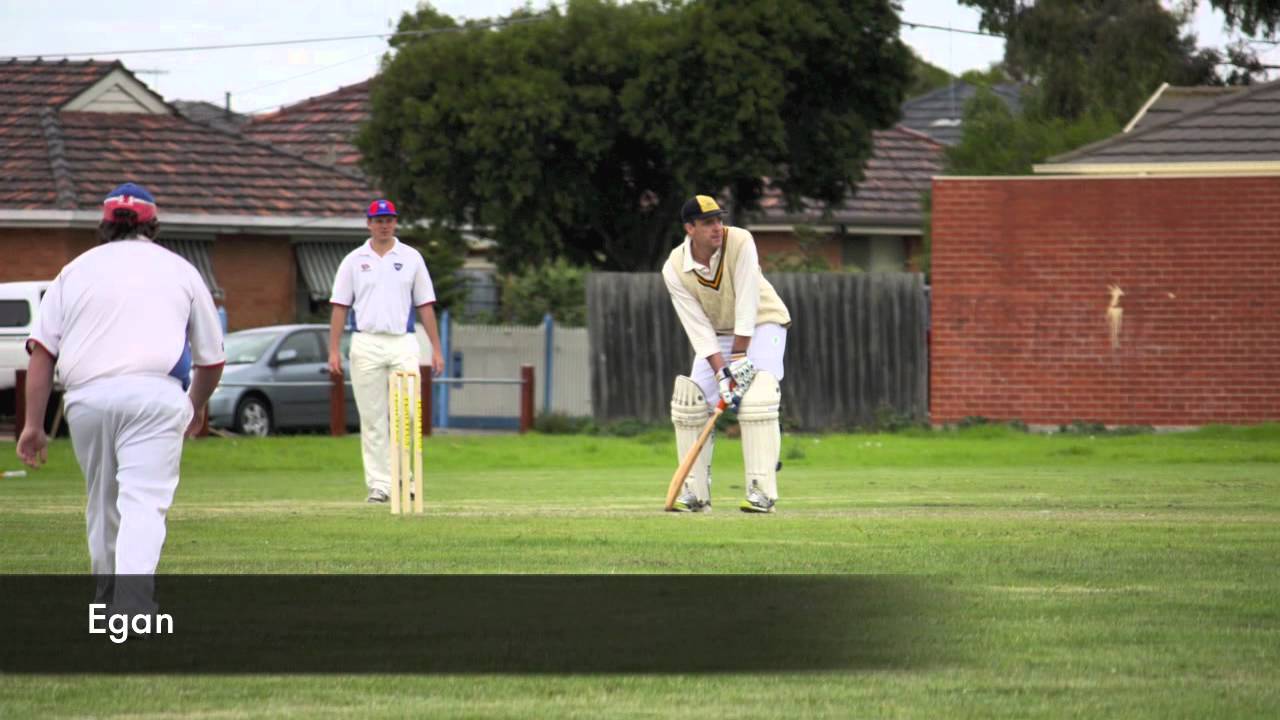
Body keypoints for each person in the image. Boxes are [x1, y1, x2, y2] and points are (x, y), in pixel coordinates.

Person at [15, 182, 225, 608]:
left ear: (104, 225)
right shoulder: (180, 269)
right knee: (143, 501)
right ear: (154, 226)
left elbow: (42, 355)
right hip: (154, 395)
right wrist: (193, 407)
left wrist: (33, 426)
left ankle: (107, 599)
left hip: (87, 398)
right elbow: (212, 360)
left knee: (103, 503)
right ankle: (131, 607)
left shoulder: (73, 271)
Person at [662, 194, 791, 513]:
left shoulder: (741, 241)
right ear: (690, 228)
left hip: (763, 323)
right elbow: (697, 327)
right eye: (708, 223)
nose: (717, 227)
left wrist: (739, 360)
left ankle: (762, 492)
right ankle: (694, 493)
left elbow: (748, 302)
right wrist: (722, 372)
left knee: (758, 396)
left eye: (719, 219)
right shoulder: (674, 268)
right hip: (718, 335)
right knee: (689, 402)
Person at [327, 199, 445, 503]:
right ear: (369, 223)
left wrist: (436, 349)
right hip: (365, 342)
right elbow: (340, 307)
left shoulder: (411, 257)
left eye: (389, 219)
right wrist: (333, 351)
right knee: (373, 418)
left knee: (407, 414)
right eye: (379, 220)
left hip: (402, 341)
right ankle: (379, 485)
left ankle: (405, 481)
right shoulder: (354, 260)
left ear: (395, 222)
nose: (384, 225)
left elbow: (425, 305)